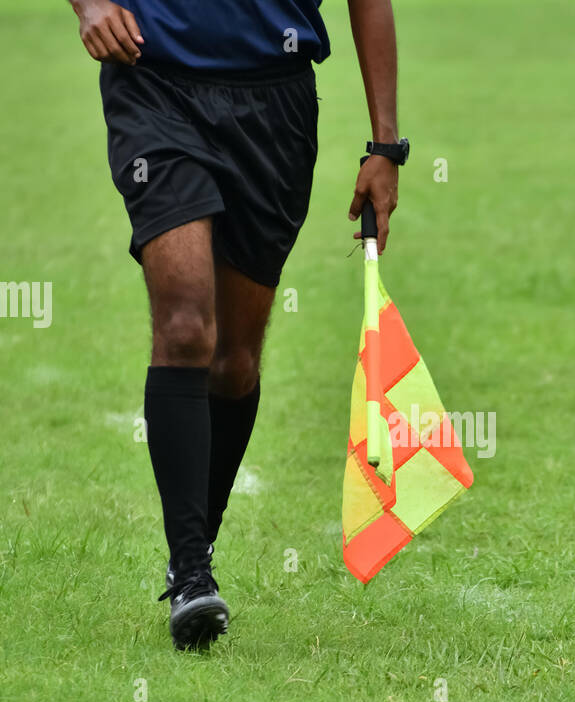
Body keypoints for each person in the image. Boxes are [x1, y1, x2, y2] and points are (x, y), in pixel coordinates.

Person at [69, 0, 410, 648]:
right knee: (184, 325)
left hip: (272, 109)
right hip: (154, 81)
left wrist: (385, 145)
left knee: (233, 364)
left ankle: (197, 547)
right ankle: (192, 575)